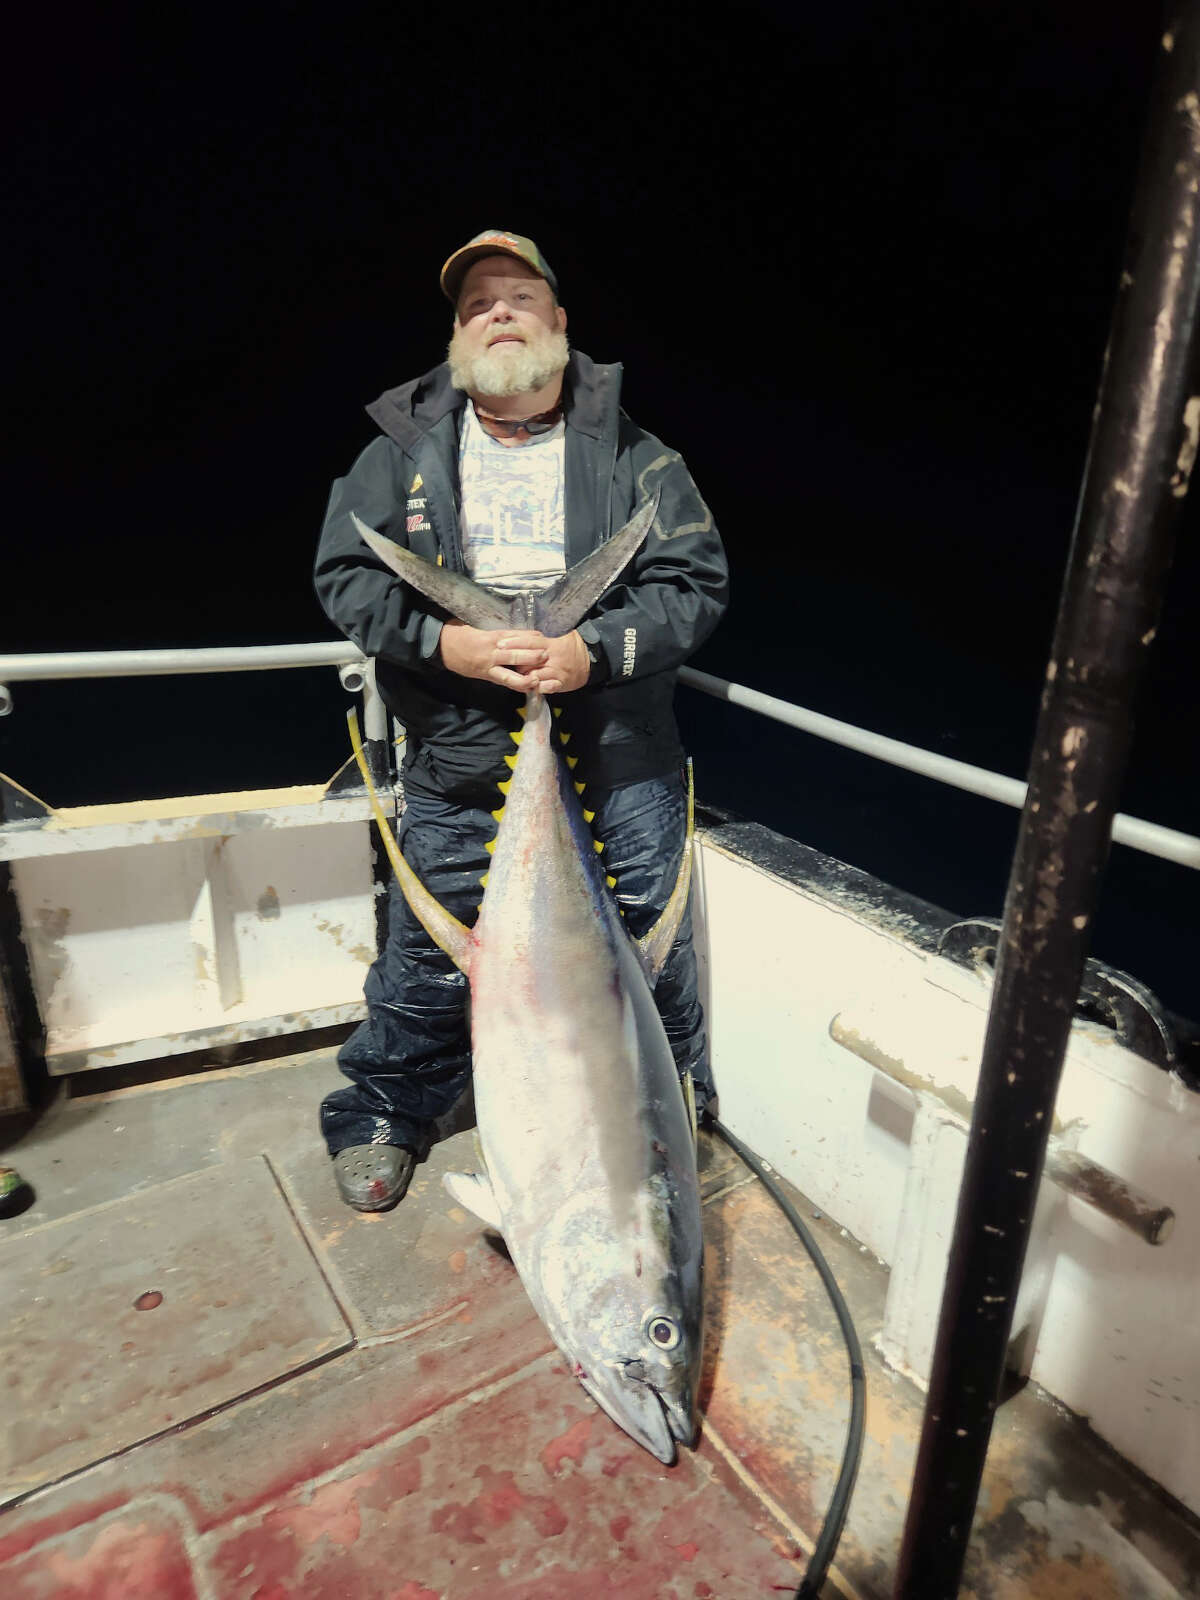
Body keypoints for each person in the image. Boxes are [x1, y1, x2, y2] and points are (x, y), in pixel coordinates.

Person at [314, 230, 728, 1210]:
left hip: (621, 750)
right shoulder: (399, 455)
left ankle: (669, 1116)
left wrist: (596, 651)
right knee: (428, 953)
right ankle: (383, 1111)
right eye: (476, 305)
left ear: (560, 324)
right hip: (459, 748)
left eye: (520, 297)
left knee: (652, 950)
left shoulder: (639, 456)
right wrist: (444, 642)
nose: (497, 311)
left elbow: (695, 582)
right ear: (458, 339)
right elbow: (346, 575)